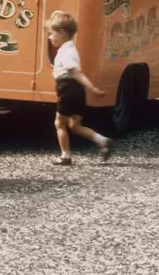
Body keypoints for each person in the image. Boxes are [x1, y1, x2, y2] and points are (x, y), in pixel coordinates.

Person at [47, 11, 113, 166]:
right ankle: (103, 141)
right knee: (74, 125)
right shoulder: (70, 49)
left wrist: (93, 88)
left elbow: (77, 73)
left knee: (59, 124)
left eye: (51, 34)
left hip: (67, 89)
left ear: (62, 33)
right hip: (75, 90)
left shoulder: (66, 52)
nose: (50, 38)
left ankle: (65, 156)